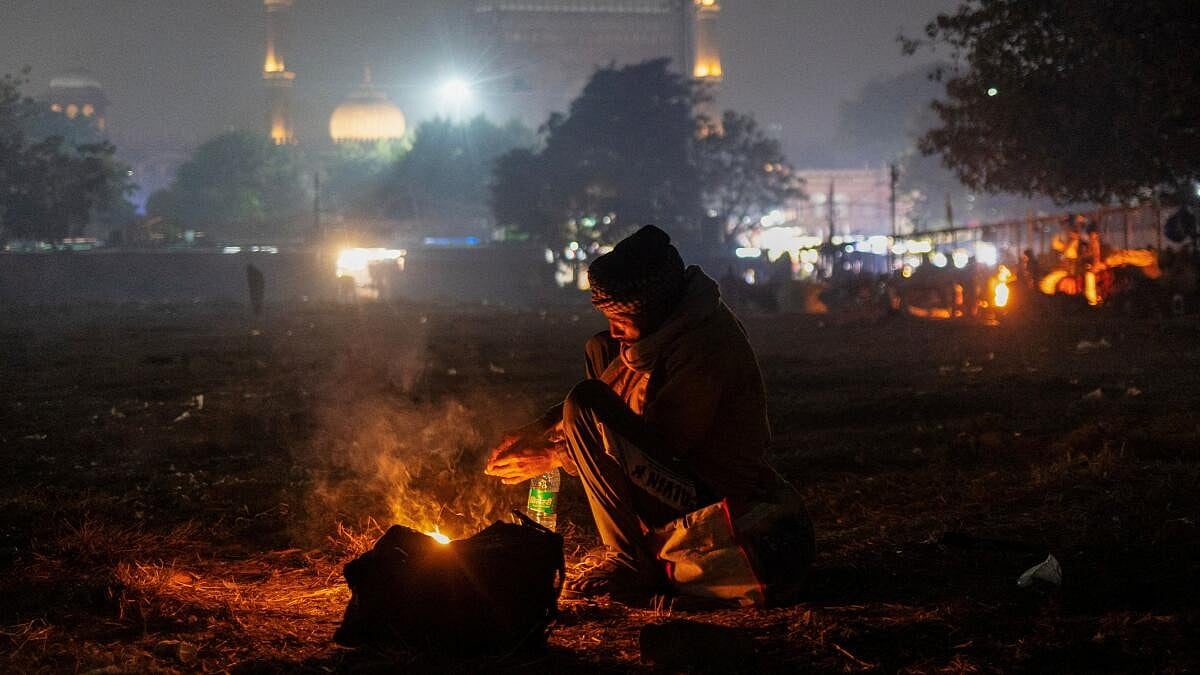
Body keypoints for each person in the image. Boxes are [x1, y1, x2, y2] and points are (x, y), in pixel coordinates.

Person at [485, 225, 807, 599]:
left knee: (587, 401)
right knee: (599, 352)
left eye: (621, 319)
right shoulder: (658, 335)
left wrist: (554, 455)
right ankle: (634, 542)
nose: (615, 330)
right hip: (669, 473)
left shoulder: (704, 345)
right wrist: (540, 428)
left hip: (707, 493)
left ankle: (628, 561)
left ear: (655, 308)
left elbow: (663, 444)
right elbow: (613, 393)